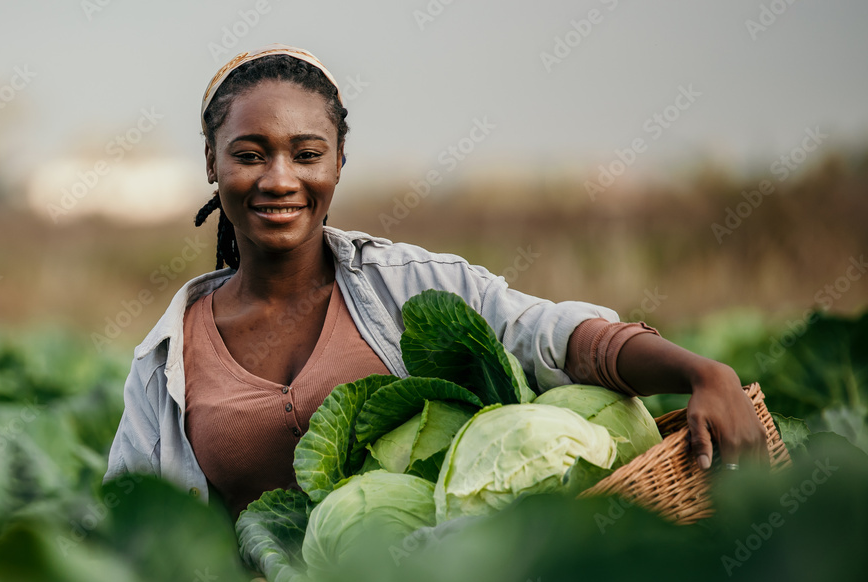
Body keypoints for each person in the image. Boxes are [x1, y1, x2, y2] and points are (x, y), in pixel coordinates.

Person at [103, 44, 768, 519]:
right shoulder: (167, 360)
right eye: (250, 155)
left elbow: (553, 336)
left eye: (307, 154)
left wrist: (703, 372)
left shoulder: (412, 286)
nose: (280, 179)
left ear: (338, 163)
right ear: (212, 166)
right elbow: (139, 526)